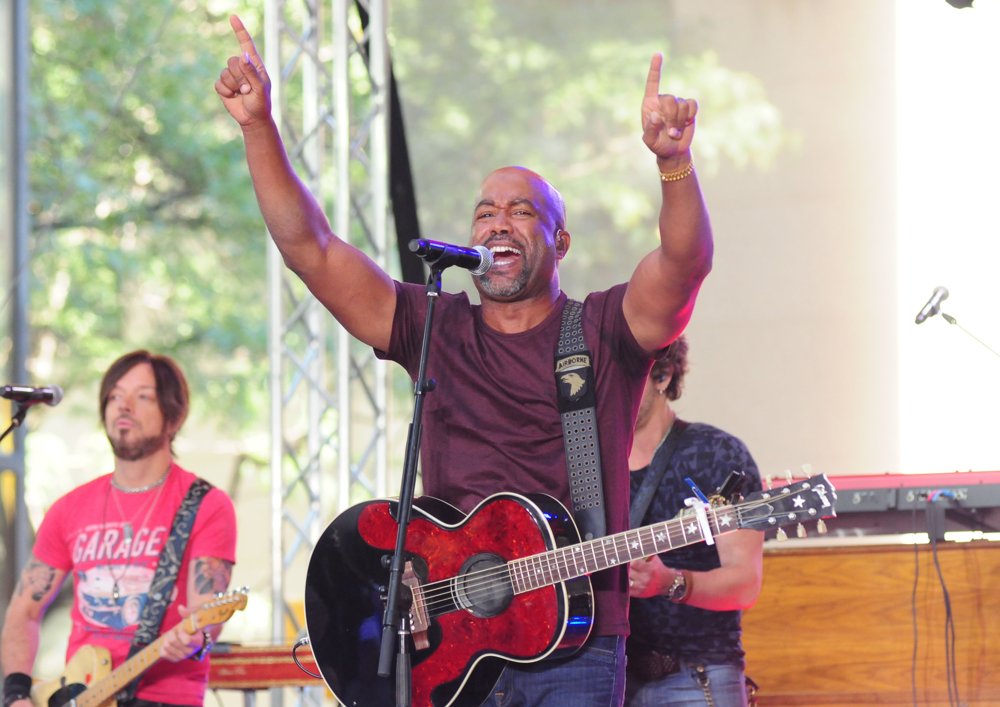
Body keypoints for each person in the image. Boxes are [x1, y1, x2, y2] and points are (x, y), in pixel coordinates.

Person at [216, 14, 712, 707]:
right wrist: (258, 126)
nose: (496, 223)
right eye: (484, 212)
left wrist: (673, 163)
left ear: (559, 240)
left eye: (520, 211)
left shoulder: (600, 328)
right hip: (445, 637)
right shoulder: (432, 322)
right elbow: (313, 250)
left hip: (573, 639)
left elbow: (685, 266)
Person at [1, 350, 237, 707]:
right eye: (114, 395)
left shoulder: (205, 505)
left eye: (142, 396)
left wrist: (196, 637)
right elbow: (24, 611)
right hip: (78, 693)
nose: (123, 405)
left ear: (174, 416)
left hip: (164, 699)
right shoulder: (69, 508)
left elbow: (207, 615)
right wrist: (16, 693)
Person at [624, 336, 763, 707]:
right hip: (603, 680)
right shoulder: (585, 467)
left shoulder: (717, 453)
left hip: (693, 677)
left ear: (663, 376)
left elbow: (745, 584)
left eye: (620, 376)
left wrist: (669, 583)